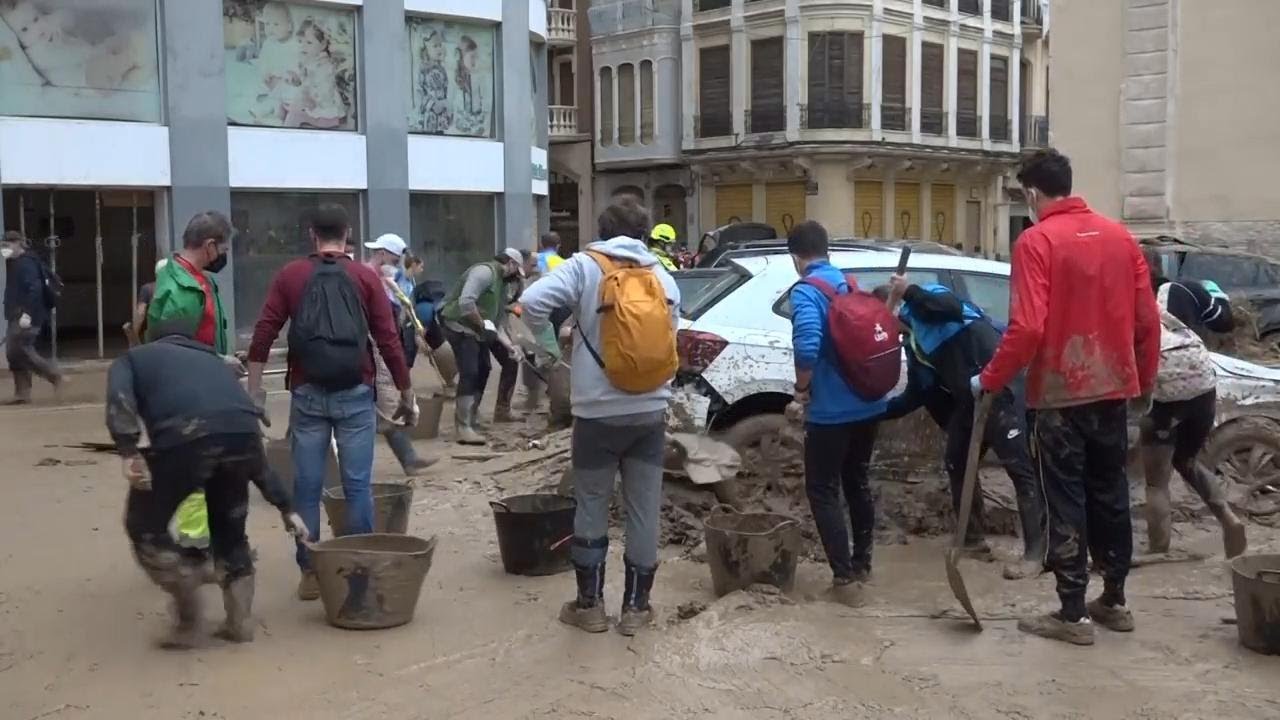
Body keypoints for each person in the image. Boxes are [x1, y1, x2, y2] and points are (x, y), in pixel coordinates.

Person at [976, 149, 1161, 646]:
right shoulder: (1121, 237)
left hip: (1060, 397)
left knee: (1066, 499)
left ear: (1032, 193)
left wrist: (990, 378)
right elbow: (1147, 322)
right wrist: (1141, 381)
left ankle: (1073, 614)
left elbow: (1028, 326)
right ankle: (1115, 601)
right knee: (1111, 493)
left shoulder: (1036, 241)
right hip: (1113, 389)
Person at [519, 196, 679, 636]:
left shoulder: (584, 266)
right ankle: (636, 610)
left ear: (604, 231)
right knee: (644, 510)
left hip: (595, 416)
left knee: (591, 504)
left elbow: (531, 302)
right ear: (645, 233)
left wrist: (549, 344)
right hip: (649, 411)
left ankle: (589, 607)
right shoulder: (663, 275)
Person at [246, 204, 417, 601]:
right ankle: (355, 573)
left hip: (307, 393)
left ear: (311, 235)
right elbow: (388, 339)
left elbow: (264, 332)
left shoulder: (291, 275)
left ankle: (309, 573)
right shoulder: (364, 277)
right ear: (347, 234)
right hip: (356, 393)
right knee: (357, 486)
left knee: (307, 486)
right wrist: (407, 394)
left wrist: (254, 390)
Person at [108, 317, 307, 648]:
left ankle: (187, 598)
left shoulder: (132, 358)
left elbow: (120, 402)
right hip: (243, 436)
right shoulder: (212, 361)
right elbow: (257, 461)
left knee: (144, 526)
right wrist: (287, 507)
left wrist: (129, 451)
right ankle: (239, 623)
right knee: (230, 529)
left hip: (183, 437)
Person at [875, 279, 1046, 580]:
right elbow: (918, 393)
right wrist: (873, 412)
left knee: (1019, 469)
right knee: (957, 458)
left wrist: (910, 292)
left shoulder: (930, 301)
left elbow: (951, 307)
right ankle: (972, 540)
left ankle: (1036, 552)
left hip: (1001, 386)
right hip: (971, 400)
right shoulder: (914, 344)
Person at [784, 221, 887, 607]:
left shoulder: (807, 292)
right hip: (870, 403)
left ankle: (843, 580)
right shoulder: (849, 283)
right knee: (856, 479)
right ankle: (862, 564)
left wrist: (801, 391)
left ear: (795, 257)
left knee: (822, 488)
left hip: (832, 412)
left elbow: (807, 345)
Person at [1139, 277, 1246, 560]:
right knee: (1187, 460)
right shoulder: (1185, 288)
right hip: (1201, 388)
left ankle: (1158, 548)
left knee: (1156, 481)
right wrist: (1215, 295)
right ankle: (1228, 518)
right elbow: (1224, 322)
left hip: (1164, 398)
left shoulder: (1128, 301)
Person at [437, 247, 525, 444]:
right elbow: (466, 302)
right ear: (510, 263)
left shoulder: (501, 286)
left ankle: (471, 417)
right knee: (470, 371)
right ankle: (463, 426)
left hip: (476, 330)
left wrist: (510, 348)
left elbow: (497, 324)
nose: (515, 278)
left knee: (484, 368)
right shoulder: (484, 272)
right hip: (459, 326)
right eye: (516, 271)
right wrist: (482, 325)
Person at [363, 236, 434, 476]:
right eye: (394, 258)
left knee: (386, 403)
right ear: (382, 254)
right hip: (366, 347)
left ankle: (409, 458)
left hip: (376, 348)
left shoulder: (388, 280)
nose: (397, 264)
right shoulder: (368, 276)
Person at [1, 230, 62, 404]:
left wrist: (27, 313)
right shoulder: (16, 262)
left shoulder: (26, 263)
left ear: (18, 244)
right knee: (13, 353)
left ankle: (54, 376)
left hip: (28, 315)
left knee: (20, 349)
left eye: (6, 245)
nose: (4, 249)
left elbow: (34, 290)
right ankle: (22, 392)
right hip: (17, 314)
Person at [125, 258, 168, 347]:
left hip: (155, 334)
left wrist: (134, 334)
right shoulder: (180, 289)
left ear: (156, 273)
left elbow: (140, 313)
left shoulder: (148, 288)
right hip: (177, 333)